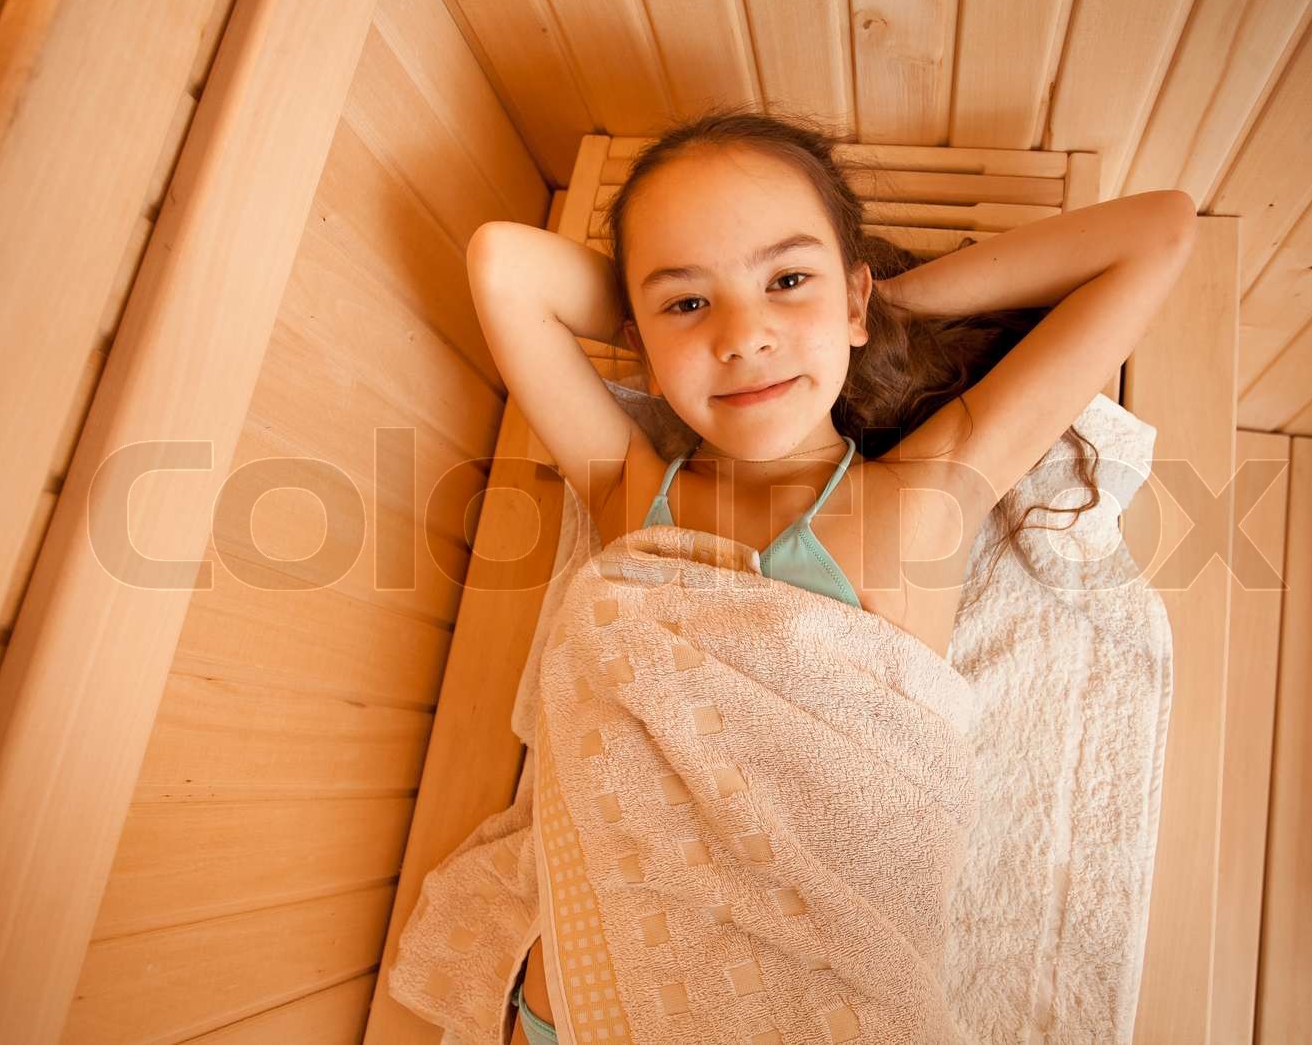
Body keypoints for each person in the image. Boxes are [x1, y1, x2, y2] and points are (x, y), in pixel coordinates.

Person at [466, 107, 1196, 1043]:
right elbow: (501, 265)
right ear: (641, 334)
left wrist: (884, 302)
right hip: (596, 996)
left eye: (788, 279)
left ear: (852, 301)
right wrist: (705, 319)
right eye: (688, 303)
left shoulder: (926, 493)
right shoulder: (632, 491)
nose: (743, 334)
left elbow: (1159, 230)